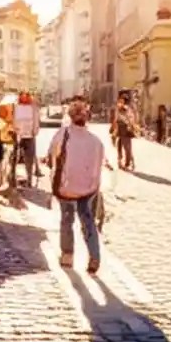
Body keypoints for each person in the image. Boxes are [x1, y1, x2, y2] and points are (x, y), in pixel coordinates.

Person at [47, 100, 112, 274]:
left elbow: (52, 153)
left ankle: (67, 256)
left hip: (66, 187)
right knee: (88, 221)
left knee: (67, 220)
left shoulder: (63, 134)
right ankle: (94, 257)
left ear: (70, 117)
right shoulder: (96, 141)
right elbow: (99, 165)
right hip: (88, 189)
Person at [12, 91, 41, 186]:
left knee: (29, 159)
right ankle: (13, 179)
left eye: (26, 96)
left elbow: (36, 120)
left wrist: (34, 131)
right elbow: (14, 120)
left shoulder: (33, 107)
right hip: (19, 135)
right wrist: (16, 131)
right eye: (22, 96)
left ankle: (29, 180)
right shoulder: (16, 106)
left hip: (29, 136)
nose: (24, 98)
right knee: (15, 158)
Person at [111, 100, 136, 170]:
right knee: (119, 145)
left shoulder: (126, 109)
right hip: (120, 129)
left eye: (120, 103)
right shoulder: (118, 109)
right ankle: (120, 161)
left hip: (126, 129)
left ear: (123, 103)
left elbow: (131, 118)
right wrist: (114, 128)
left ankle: (129, 163)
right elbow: (116, 119)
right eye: (118, 103)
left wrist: (130, 125)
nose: (118, 104)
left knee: (127, 147)